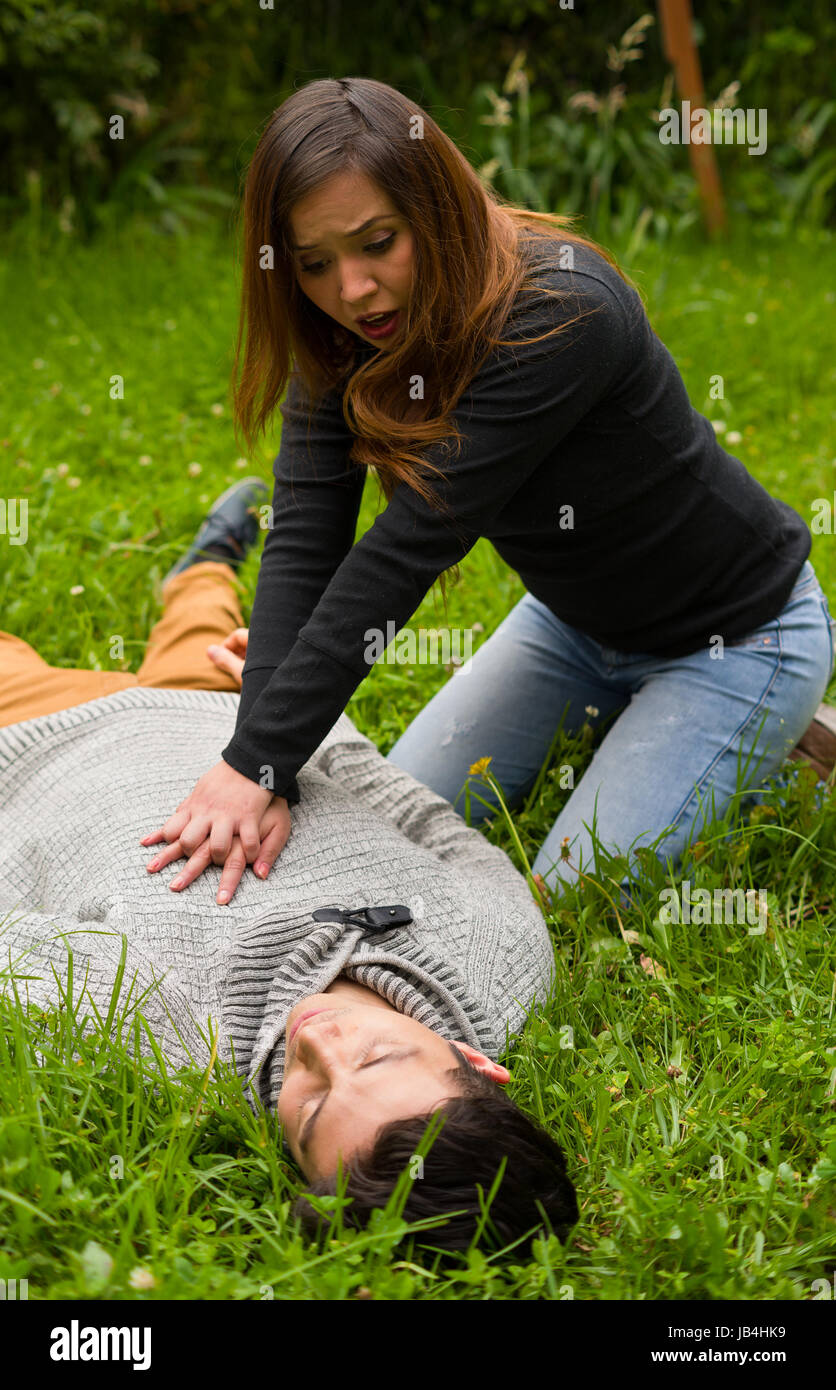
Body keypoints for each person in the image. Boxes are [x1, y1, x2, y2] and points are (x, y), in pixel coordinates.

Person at [141, 75, 836, 911]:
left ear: (433, 206)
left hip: (738, 633)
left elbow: (406, 549)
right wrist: (262, 759)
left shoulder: (561, 314)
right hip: (572, 626)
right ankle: (663, 732)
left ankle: (757, 724)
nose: (352, 289)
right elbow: (305, 540)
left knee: (560, 901)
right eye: (316, 263)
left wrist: (257, 759)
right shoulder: (336, 334)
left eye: (377, 242)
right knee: (396, 830)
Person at [0, 483, 578, 1255]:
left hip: (39, 740)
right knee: (204, 622)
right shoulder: (499, 956)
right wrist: (304, 717)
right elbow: (435, 825)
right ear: (477, 1061)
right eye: (377, 1055)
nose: (319, 1044)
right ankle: (207, 561)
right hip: (236, 713)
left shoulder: (171, 1042)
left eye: (310, 1113)